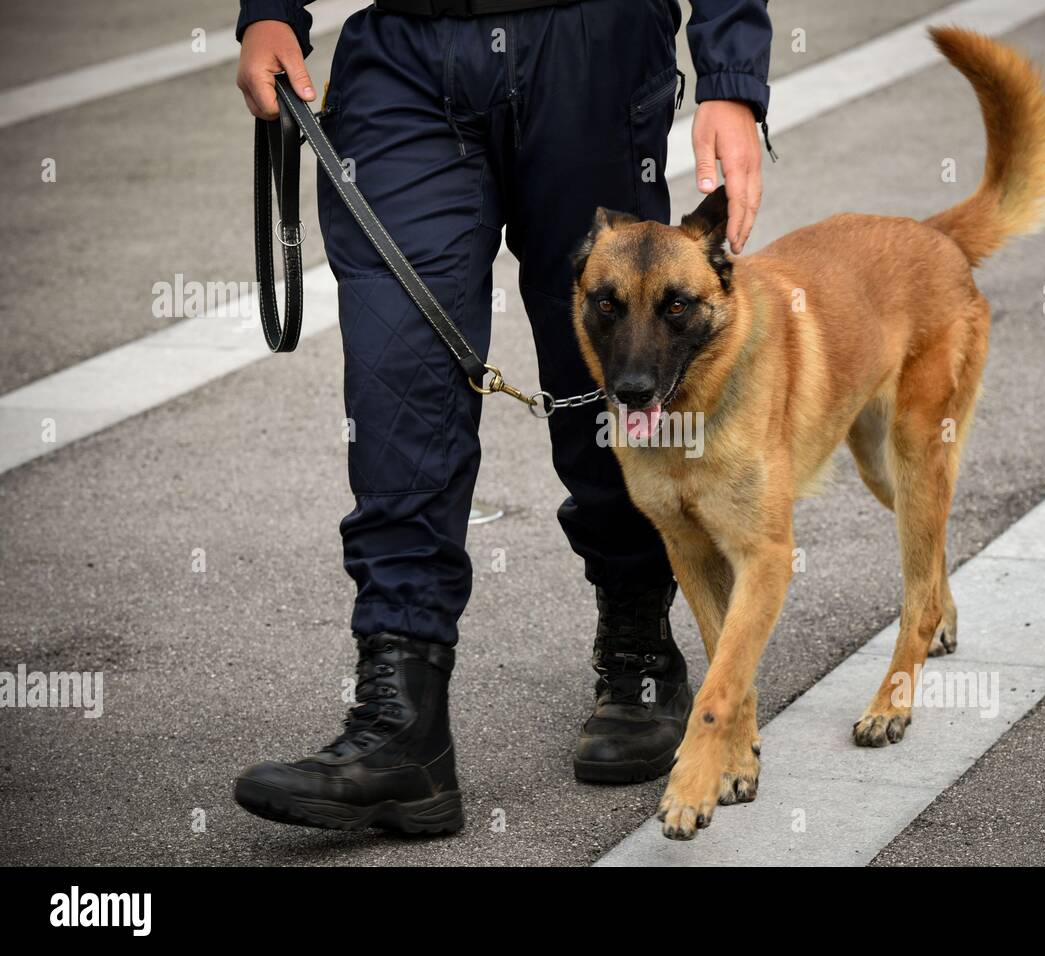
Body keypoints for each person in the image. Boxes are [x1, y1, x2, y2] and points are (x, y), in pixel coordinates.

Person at [232, 0, 771, 833]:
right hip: (403, 55)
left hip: (592, 39)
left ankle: (636, 638)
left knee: (622, 369)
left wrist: (731, 76)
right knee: (398, 383)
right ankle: (400, 720)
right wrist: (268, 11)